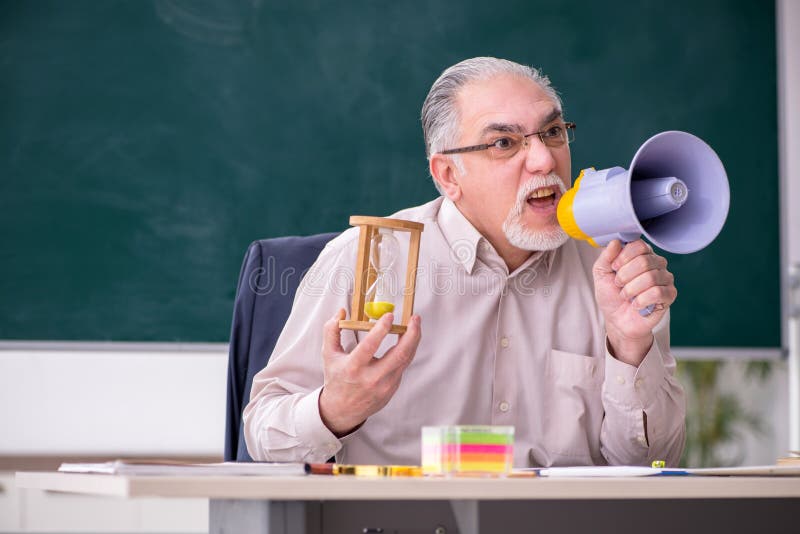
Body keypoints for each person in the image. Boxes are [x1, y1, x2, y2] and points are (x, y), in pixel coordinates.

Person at [243, 57, 685, 467]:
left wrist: (629, 346)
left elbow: (652, 465)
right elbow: (261, 431)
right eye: (504, 143)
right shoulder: (368, 257)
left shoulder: (615, 272)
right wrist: (334, 409)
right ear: (448, 175)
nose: (544, 159)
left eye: (552, 132)